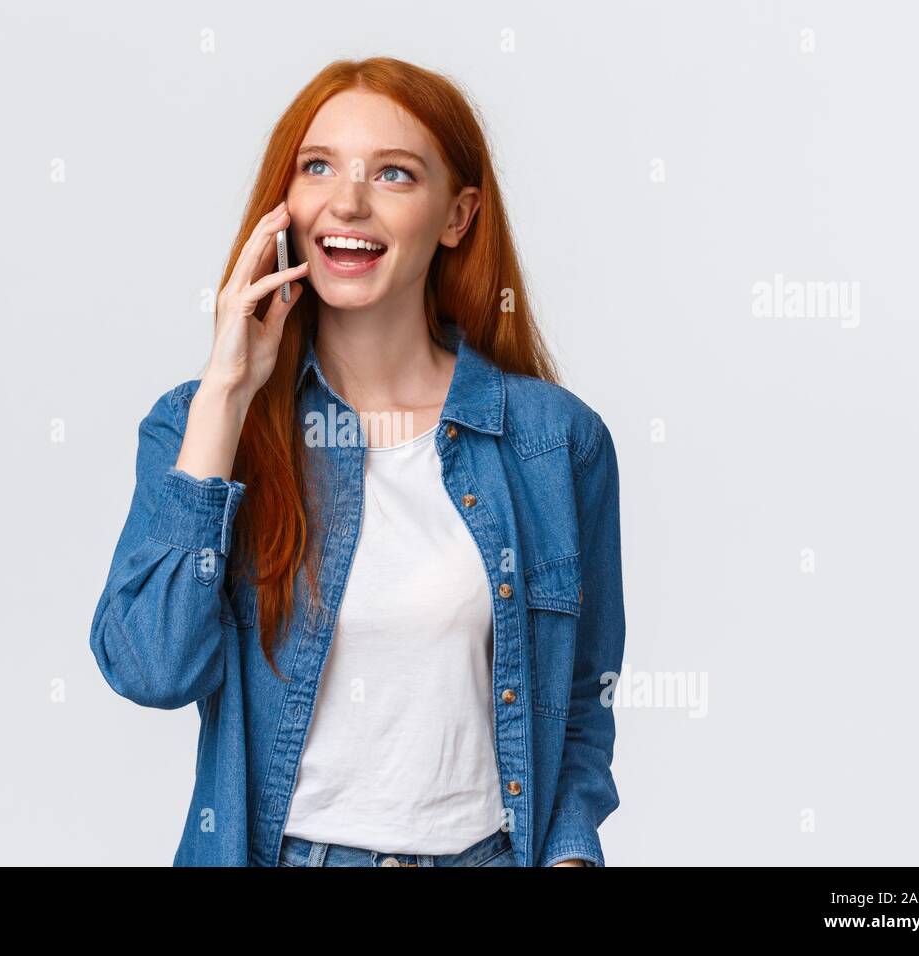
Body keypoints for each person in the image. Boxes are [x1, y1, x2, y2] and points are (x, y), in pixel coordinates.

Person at [89, 56, 625, 867]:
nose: (347, 201)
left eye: (395, 174)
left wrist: (572, 856)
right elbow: (151, 668)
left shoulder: (554, 442)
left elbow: (579, 700)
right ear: (287, 204)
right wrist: (227, 393)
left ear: (458, 216)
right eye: (318, 167)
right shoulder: (200, 424)